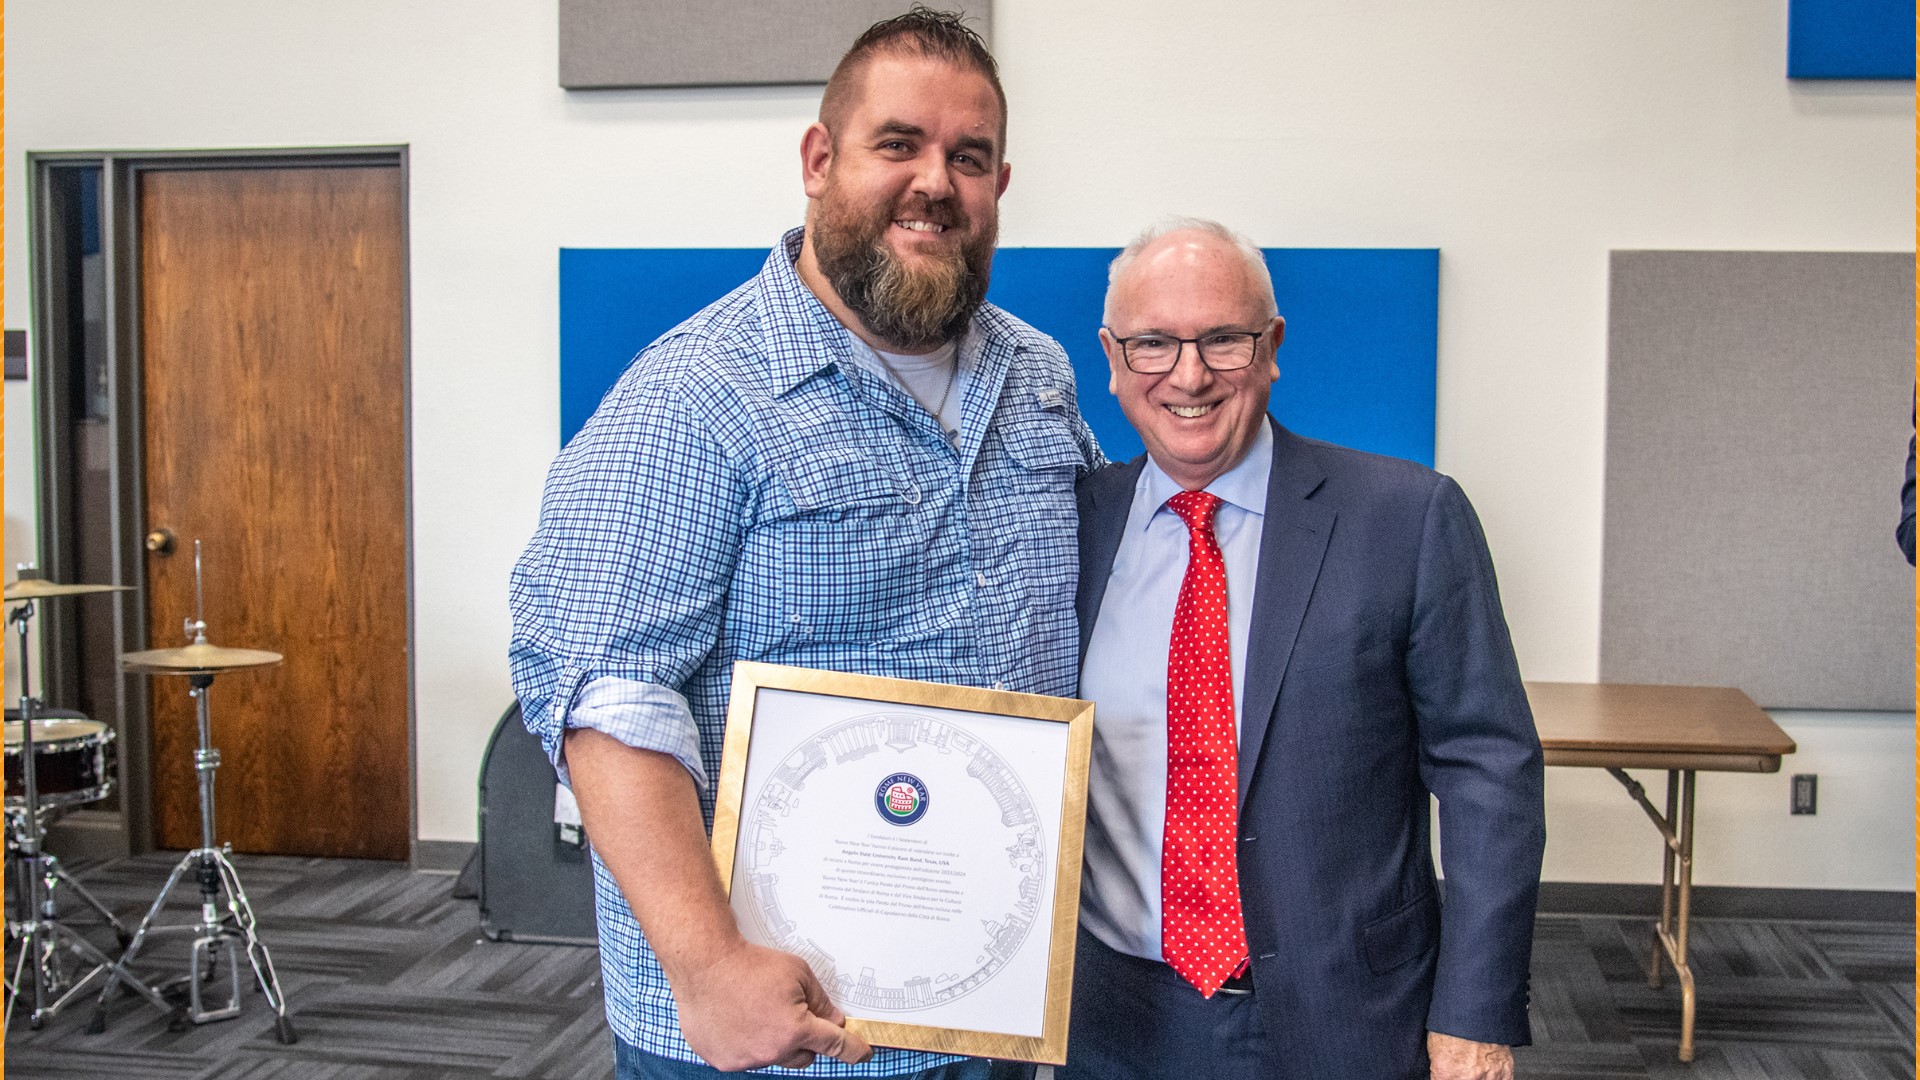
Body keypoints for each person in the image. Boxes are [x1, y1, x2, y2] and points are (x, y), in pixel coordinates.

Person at [508, 10, 1101, 1079]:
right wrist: (704, 967)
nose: (935, 182)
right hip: (777, 1035)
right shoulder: (692, 394)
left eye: (968, 158)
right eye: (898, 144)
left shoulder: (1041, 377)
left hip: (996, 1001)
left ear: (998, 189)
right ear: (820, 160)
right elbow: (606, 696)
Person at [1065, 218, 1545, 1080]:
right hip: (1111, 1021)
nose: (1189, 374)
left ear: (1273, 346)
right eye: (1153, 344)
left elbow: (1487, 767)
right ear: (1112, 357)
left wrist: (1474, 1012)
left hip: (1349, 1016)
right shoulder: (1070, 526)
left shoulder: (1406, 518)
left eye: (1223, 339)